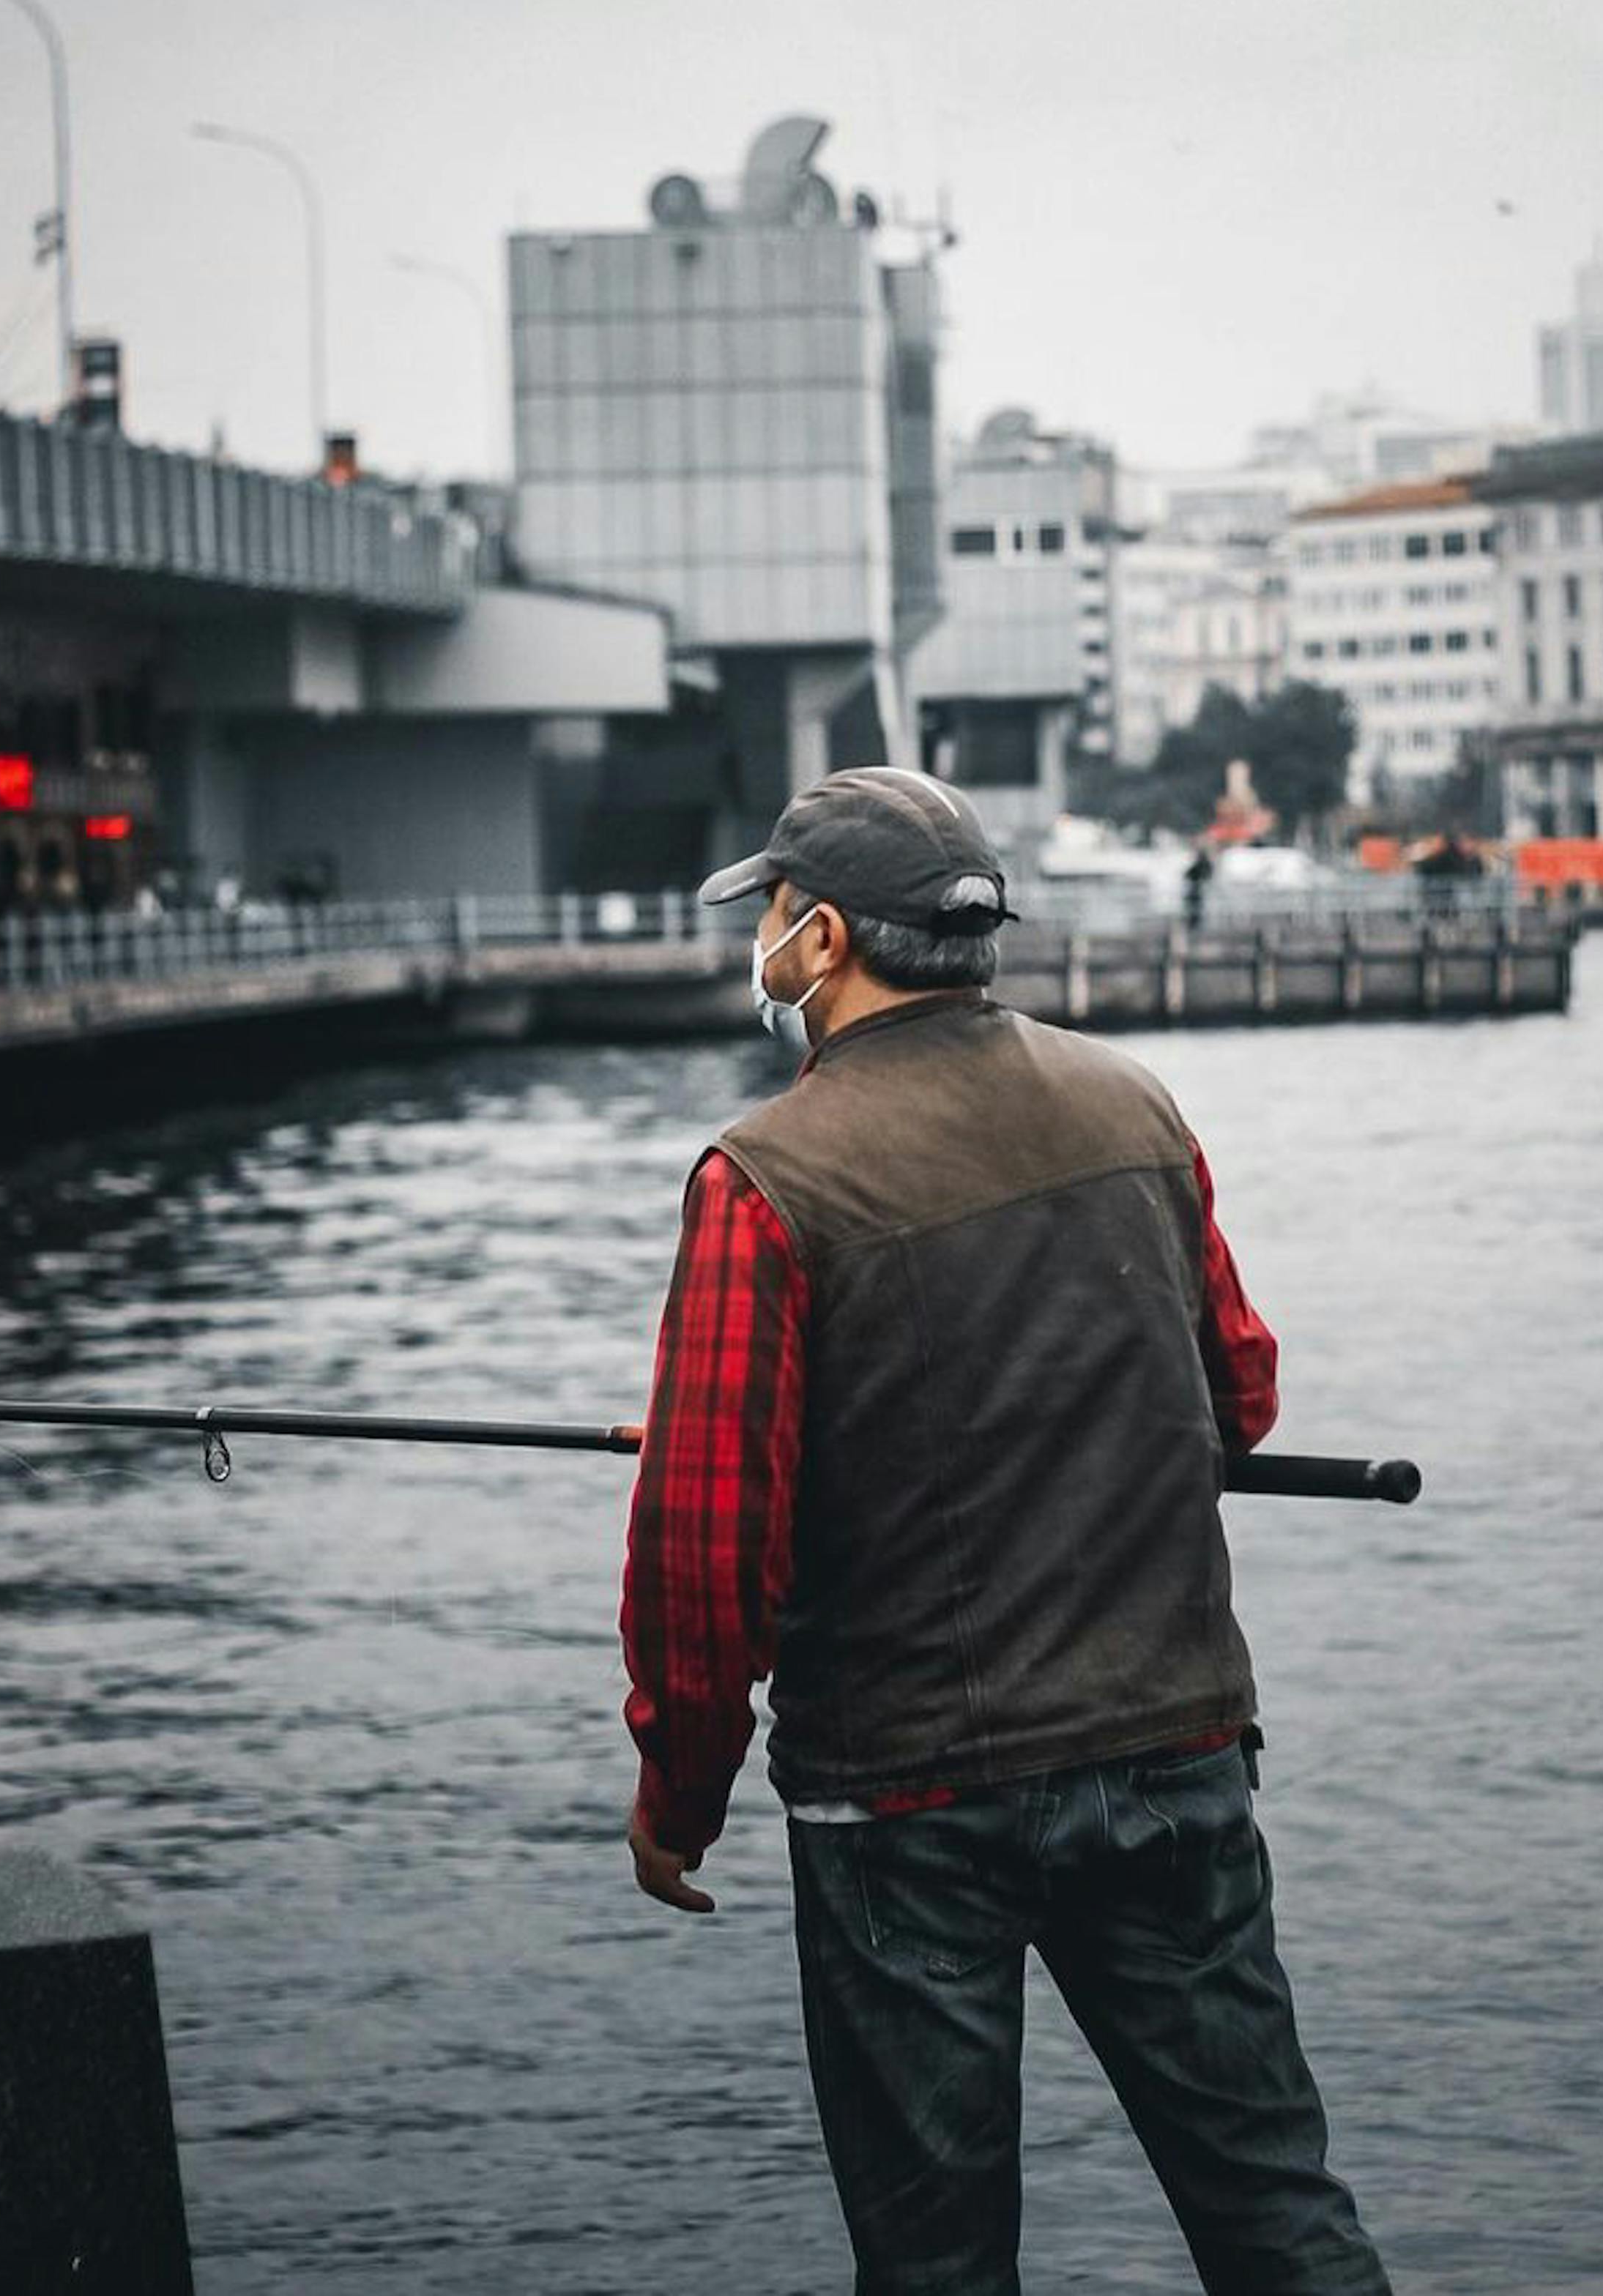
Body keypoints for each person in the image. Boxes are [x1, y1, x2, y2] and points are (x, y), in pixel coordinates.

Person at [621, 765, 1394, 2295]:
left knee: (939, 2265)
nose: (760, 939)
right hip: (1172, 1750)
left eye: (773, 911)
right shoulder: (1134, 1107)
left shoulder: (766, 1179)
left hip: (905, 1797)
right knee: (1276, 2213)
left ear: (823, 940)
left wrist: (678, 1790)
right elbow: (1239, 1399)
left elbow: (706, 1551)